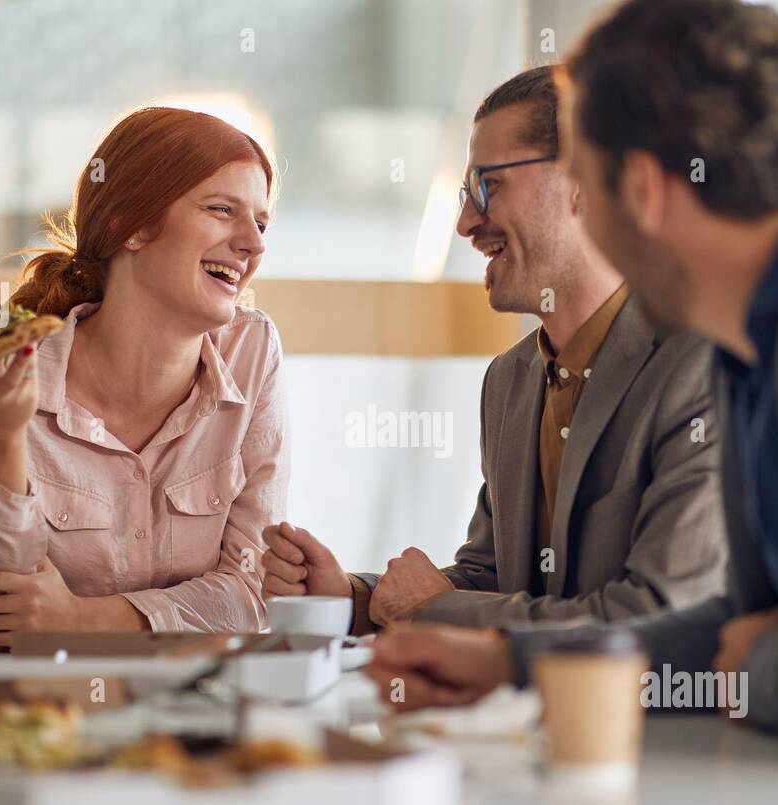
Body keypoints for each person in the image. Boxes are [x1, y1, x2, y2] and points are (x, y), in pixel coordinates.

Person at [364, 0, 778, 772]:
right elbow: (734, 625)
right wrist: (512, 664)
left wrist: (761, 673)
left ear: (647, 189)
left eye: (586, 182)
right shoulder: (755, 332)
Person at [261, 67, 724, 636]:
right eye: (465, 193)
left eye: (489, 185)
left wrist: (430, 608)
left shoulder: (702, 367)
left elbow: (659, 619)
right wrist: (352, 597)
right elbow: (492, 579)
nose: (465, 223)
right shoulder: (512, 379)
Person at [0, 107, 288, 648]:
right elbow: (3, 617)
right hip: (44, 719)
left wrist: (83, 619)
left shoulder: (253, 351)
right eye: (223, 210)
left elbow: (252, 591)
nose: (254, 243)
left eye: (261, 223)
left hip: (198, 716)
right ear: (131, 225)